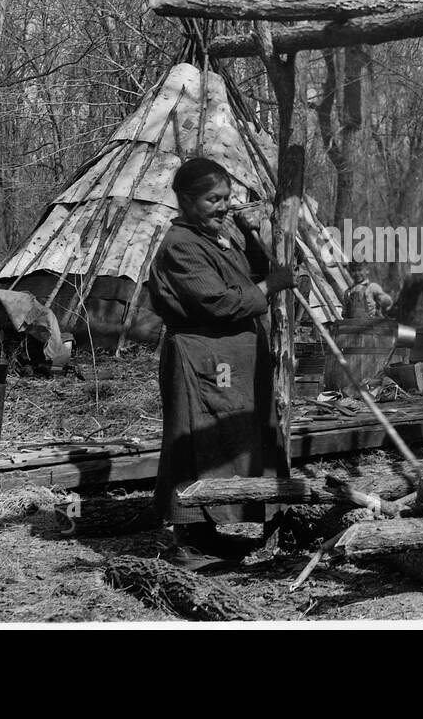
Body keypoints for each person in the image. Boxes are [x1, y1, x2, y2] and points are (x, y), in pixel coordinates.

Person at [146, 158, 297, 568]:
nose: (223, 206)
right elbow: (220, 302)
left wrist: (255, 238)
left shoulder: (216, 237)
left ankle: (207, 534)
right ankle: (188, 542)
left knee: (229, 440)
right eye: (213, 199)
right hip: (202, 360)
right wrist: (271, 286)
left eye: (227, 198)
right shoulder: (180, 245)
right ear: (185, 200)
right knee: (197, 442)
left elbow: (250, 276)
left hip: (229, 358)